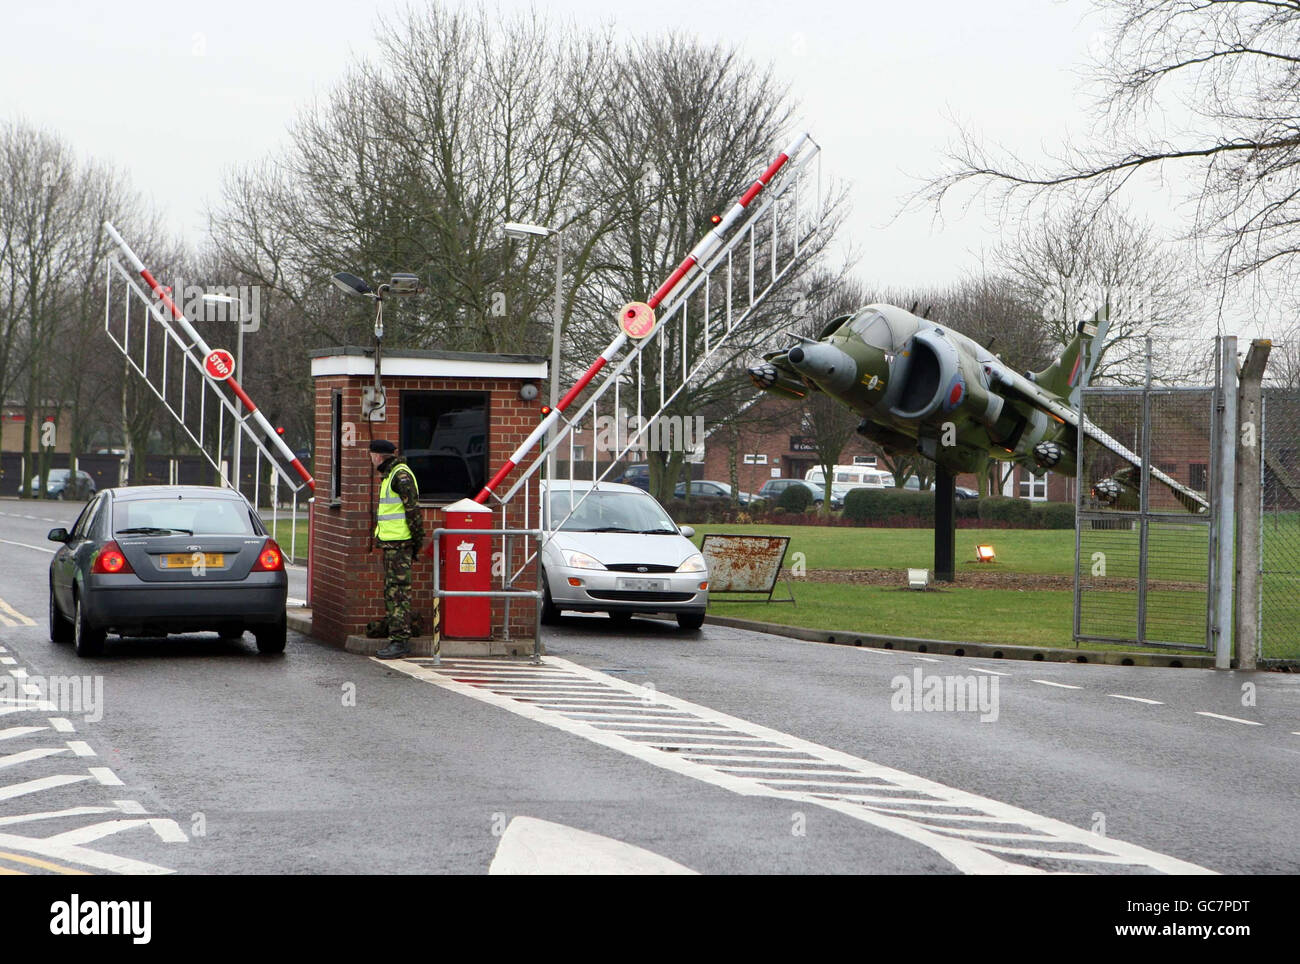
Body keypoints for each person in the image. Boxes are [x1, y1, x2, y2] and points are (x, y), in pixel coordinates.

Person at [369, 439, 423, 659]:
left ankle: (400, 641)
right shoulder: (390, 475)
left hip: (400, 545)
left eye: (371, 455)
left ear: (379, 456)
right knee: (393, 592)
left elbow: (413, 512)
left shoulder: (400, 476)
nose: (371, 460)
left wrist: (416, 542)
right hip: (393, 545)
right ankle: (396, 636)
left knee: (398, 593)